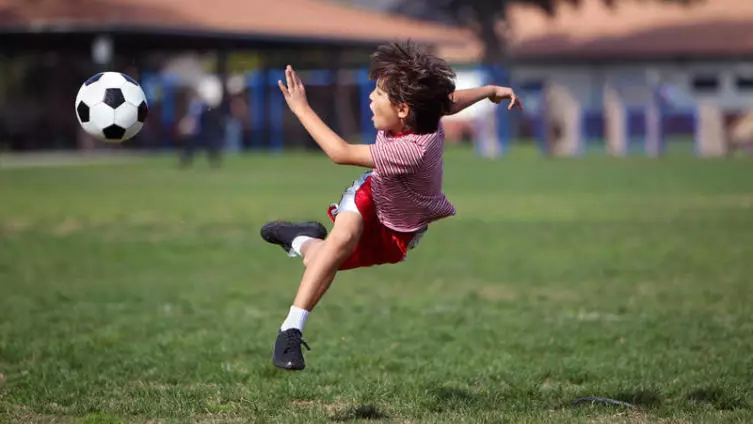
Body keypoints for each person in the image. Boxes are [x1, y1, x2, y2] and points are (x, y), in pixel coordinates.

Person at [261, 41, 523, 371]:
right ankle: (290, 331)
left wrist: (301, 108)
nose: (370, 98)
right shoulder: (423, 114)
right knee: (341, 241)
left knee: (323, 261)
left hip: (398, 229)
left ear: (403, 110)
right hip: (371, 198)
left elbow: (340, 152)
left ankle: (301, 239)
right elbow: (448, 102)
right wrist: (490, 90)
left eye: (378, 94)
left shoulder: (412, 149)